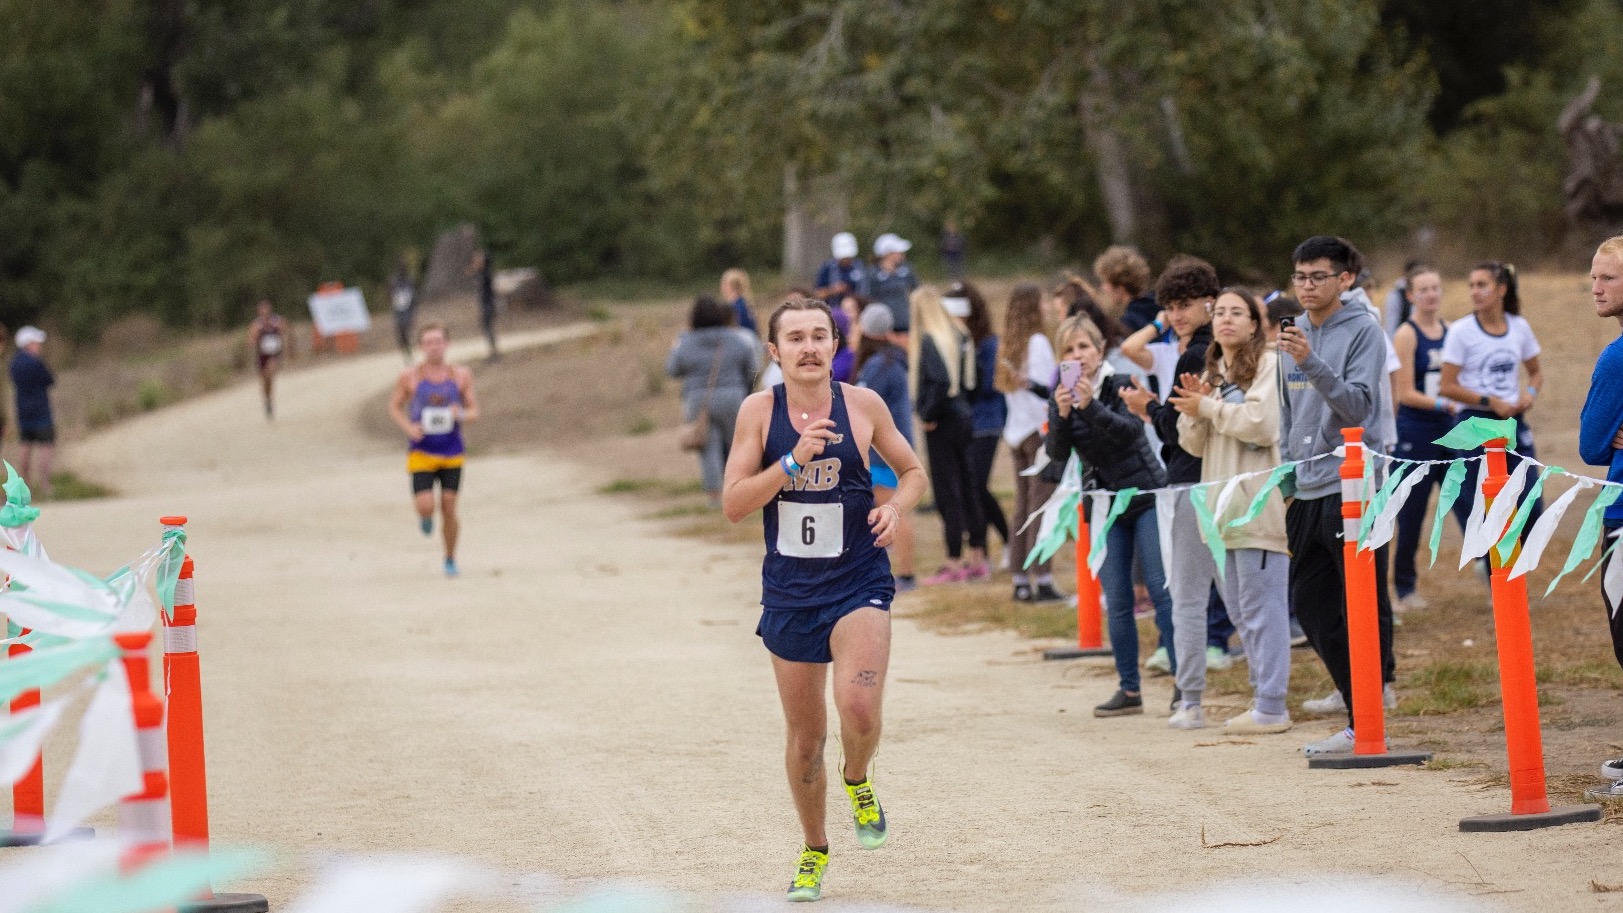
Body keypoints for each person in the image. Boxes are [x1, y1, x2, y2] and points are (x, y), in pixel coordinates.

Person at [721, 295, 924, 903]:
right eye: (796, 338)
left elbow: (912, 472)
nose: (809, 348)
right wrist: (789, 461)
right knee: (806, 738)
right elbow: (733, 504)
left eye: (820, 336)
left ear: (836, 347)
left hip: (859, 581)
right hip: (789, 593)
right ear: (774, 351)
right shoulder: (759, 413)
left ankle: (857, 777)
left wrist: (894, 508)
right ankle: (814, 848)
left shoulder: (863, 406)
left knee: (858, 710)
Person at [1276, 236, 1396, 756]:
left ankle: (1366, 717)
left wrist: (1314, 364)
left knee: (1357, 606)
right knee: (1308, 603)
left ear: (1345, 279)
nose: (1306, 286)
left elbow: (1359, 408)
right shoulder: (1293, 333)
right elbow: (1287, 411)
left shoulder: (1364, 331)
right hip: (1305, 487)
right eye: (1300, 276)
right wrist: (1286, 475)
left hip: (1351, 485)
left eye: (1317, 276)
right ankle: (1356, 708)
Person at [1170, 288, 1292, 733]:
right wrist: (1193, 410)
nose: (1225, 320)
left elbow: (1261, 426)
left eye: (1236, 313)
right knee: (1241, 610)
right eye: (1219, 312)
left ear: (1255, 323)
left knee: (1263, 607)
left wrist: (1207, 406)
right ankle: (1264, 698)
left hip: (1258, 503)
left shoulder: (1271, 364)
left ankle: (1273, 705)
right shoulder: (1214, 370)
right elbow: (1194, 444)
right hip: (1219, 507)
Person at [1047, 315, 1173, 717]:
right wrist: (1064, 416)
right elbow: (1055, 454)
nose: (1077, 356)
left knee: (1160, 590)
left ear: (1100, 351)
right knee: (1116, 597)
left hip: (1144, 496)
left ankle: (1185, 685)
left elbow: (1131, 433)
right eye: (1068, 350)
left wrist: (1090, 406)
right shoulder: (1061, 395)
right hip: (1103, 503)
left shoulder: (1121, 383)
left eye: (1084, 347)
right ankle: (1129, 690)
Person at [1120, 257, 1220, 690]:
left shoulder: (1195, 355)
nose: (1178, 314)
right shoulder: (1214, 349)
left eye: (1185, 304)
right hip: (1216, 473)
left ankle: (1189, 691)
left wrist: (1147, 408)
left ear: (1209, 303)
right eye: (1170, 306)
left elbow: (1180, 431)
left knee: (1188, 591)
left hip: (1191, 476)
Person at [1439, 261, 1545, 538]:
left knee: (1531, 502)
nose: (1475, 292)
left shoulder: (1519, 326)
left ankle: (1512, 566)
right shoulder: (1461, 331)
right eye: (1471, 285)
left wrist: (1528, 396)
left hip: (1512, 422)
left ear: (1501, 289)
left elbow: (1535, 372)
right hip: (1474, 424)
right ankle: (1491, 571)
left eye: (1482, 285)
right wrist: (1489, 401)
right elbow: (1447, 386)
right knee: (1486, 506)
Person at [1390, 265, 1470, 611]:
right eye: (1423, 289)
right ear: (1410, 296)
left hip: (1451, 430)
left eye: (1436, 287)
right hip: (1416, 433)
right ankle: (1405, 588)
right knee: (1412, 513)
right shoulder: (1406, 335)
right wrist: (1441, 402)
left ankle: (1490, 571)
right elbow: (1405, 391)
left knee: (1467, 503)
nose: (1431, 294)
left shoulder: (1452, 331)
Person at [388, 323, 480, 577]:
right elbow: (394, 407)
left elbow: (474, 411)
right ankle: (425, 517)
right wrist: (409, 428)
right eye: (428, 342)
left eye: (438, 341)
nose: (434, 346)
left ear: (446, 344)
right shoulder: (409, 377)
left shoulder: (461, 375)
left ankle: (450, 557)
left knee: (449, 507)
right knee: (426, 505)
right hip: (422, 452)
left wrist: (459, 413)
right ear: (421, 347)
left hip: (452, 451)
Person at [909, 285, 987, 583]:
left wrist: (928, 414)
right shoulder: (959, 335)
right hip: (964, 416)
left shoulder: (929, 340)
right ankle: (977, 555)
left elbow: (940, 381)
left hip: (942, 422)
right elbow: (975, 379)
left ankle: (953, 561)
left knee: (947, 491)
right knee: (968, 486)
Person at [1582, 236, 1623, 792]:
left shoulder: (1617, 355)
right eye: (1593, 276)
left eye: (1607, 278)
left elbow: (1592, 444)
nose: (1594, 287)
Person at [995, 283, 1063, 602]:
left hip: (1016, 432)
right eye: (1043, 301)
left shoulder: (1009, 344)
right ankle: (1043, 577)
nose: (1048, 306)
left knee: (1023, 507)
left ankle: (1020, 580)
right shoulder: (1037, 342)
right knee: (1040, 506)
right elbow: (1046, 392)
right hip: (1037, 433)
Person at [667, 297, 760, 508]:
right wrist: (743, 387)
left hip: (698, 399)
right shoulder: (735, 338)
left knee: (708, 448)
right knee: (738, 446)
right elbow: (752, 366)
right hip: (733, 396)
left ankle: (715, 498)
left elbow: (672, 370)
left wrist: (676, 349)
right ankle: (743, 490)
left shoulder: (686, 341)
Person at [854, 303, 918, 592]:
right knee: (892, 508)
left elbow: (861, 406)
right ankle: (899, 570)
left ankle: (905, 573)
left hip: (883, 452)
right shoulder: (894, 360)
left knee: (892, 508)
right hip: (896, 446)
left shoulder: (878, 366)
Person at [956, 281, 1010, 567]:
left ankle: (1009, 539)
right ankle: (981, 549)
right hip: (964, 423)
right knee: (969, 487)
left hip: (987, 422)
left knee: (977, 486)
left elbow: (991, 385)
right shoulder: (958, 342)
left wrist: (966, 379)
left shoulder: (989, 344)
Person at [9, 327, 53, 497]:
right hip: (41, 411)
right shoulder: (36, 362)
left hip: (23, 412)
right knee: (46, 447)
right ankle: (45, 485)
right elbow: (49, 379)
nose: (39, 346)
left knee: (25, 446)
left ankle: (25, 484)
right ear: (28, 344)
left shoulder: (14, 364)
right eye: (36, 342)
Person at [1093, 245, 1158, 332]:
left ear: (1121, 288)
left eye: (1106, 282)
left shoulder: (1128, 322)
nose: (1103, 288)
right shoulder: (1158, 303)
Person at [870, 234, 918, 334]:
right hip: (885, 327)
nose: (902, 254)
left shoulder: (907, 269)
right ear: (888, 254)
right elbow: (868, 298)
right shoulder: (873, 273)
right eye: (898, 252)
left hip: (906, 323)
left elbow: (917, 291)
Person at [247, 300, 287, 419]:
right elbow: (251, 340)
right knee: (265, 381)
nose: (264, 312)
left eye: (266, 309)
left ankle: (269, 397)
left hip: (274, 354)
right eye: (262, 310)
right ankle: (268, 400)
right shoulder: (256, 325)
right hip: (262, 355)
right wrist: (253, 341)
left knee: (270, 372)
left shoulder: (277, 321)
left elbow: (285, 332)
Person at [813, 233, 869, 308]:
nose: (846, 260)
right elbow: (817, 294)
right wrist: (833, 290)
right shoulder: (827, 268)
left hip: (856, 311)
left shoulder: (860, 267)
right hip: (833, 310)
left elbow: (866, 292)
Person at [467, 247, 499, 361]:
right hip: (484, 304)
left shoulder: (486, 273)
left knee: (488, 328)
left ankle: (494, 352)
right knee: (486, 328)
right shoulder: (481, 273)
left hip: (489, 304)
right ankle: (492, 351)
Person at [391, 260, 417, 361]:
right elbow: (390, 295)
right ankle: (406, 351)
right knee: (401, 332)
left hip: (408, 309)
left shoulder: (410, 280)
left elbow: (414, 295)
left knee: (406, 329)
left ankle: (408, 351)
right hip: (398, 310)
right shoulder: (393, 281)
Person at [722, 268, 759, 335]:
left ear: (730, 286)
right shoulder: (744, 303)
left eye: (724, 284)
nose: (722, 287)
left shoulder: (735, 307)